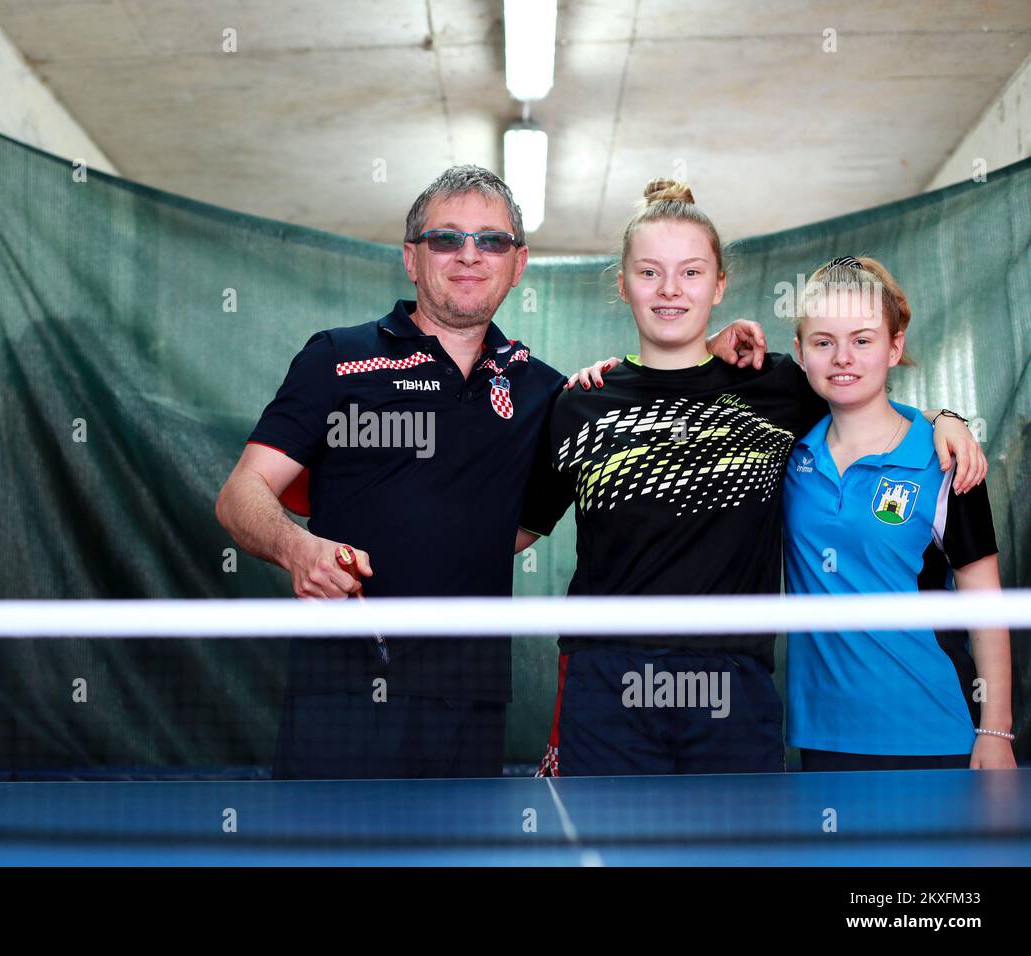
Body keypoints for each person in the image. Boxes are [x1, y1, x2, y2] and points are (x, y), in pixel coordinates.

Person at [215, 166, 758, 779]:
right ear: (411, 259)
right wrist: (297, 547)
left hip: (471, 703)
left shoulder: (549, 392)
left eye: (491, 240)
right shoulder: (336, 358)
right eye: (446, 239)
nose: (469, 255)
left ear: (518, 262)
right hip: (342, 695)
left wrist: (712, 352)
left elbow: (530, 516)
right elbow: (242, 492)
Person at [518, 179, 986, 777]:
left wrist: (944, 419)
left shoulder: (777, 385)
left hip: (732, 686)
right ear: (622, 282)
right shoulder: (582, 402)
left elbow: (869, 407)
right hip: (606, 683)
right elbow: (518, 530)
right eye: (649, 272)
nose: (669, 291)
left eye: (690, 273)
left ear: (719, 285)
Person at [782, 254, 1016, 771]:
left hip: (932, 732)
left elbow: (988, 611)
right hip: (823, 735)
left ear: (895, 347)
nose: (843, 357)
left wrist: (996, 732)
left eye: (863, 340)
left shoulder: (947, 459)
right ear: (800, 354)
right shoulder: (786, 453)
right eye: (824, 342)